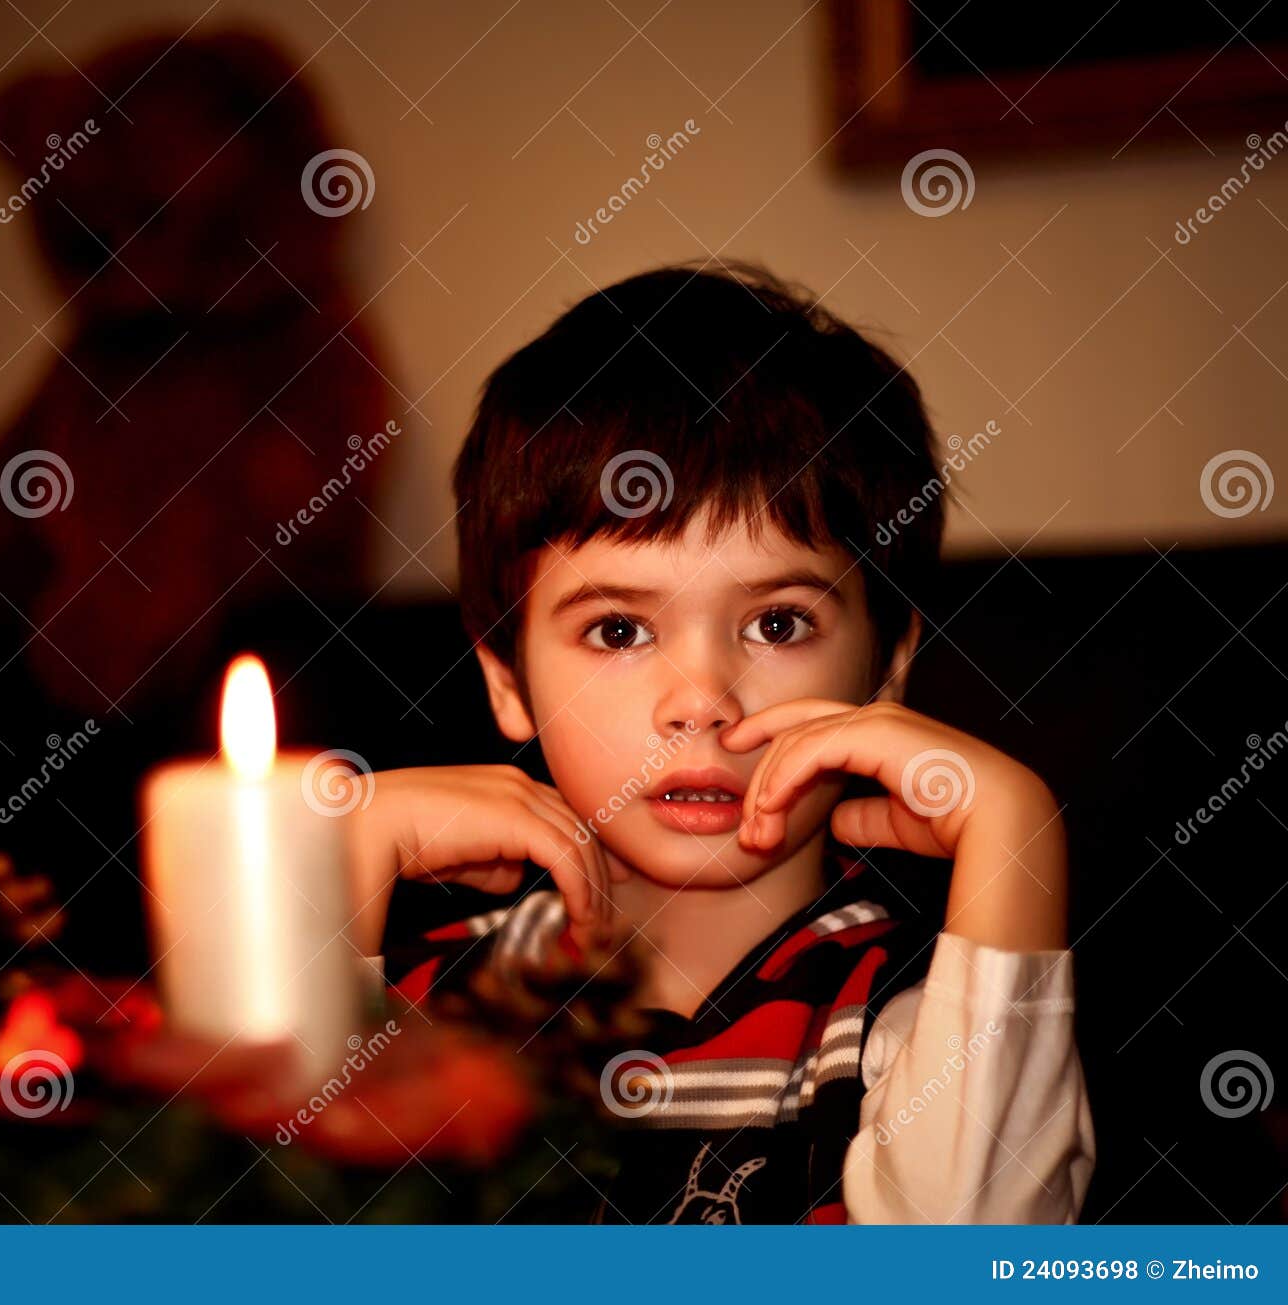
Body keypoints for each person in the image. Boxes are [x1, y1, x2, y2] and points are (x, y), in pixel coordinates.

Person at [343, 261, 1094, 1224]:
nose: (700, 702)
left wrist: (1015, 839)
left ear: (887, 668)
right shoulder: (422, 1010)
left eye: (778, 624)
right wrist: (334, 885)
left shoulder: (912, 1018)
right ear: (507, 679)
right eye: (619, 630)